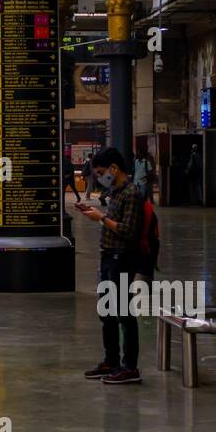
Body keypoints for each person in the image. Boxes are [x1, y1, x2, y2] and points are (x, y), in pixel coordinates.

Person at [75, 147, 144, 385]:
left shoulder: (132, 194)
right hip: (108, 257)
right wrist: (96, 214)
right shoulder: (116, 191)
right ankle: (111, 360)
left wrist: (101, 218)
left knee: (123, 312)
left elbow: (128, 231)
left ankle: (130, 367)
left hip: (122, 258)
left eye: (102, 172)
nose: (101, 177)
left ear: (114, 168)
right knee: (106, 312)